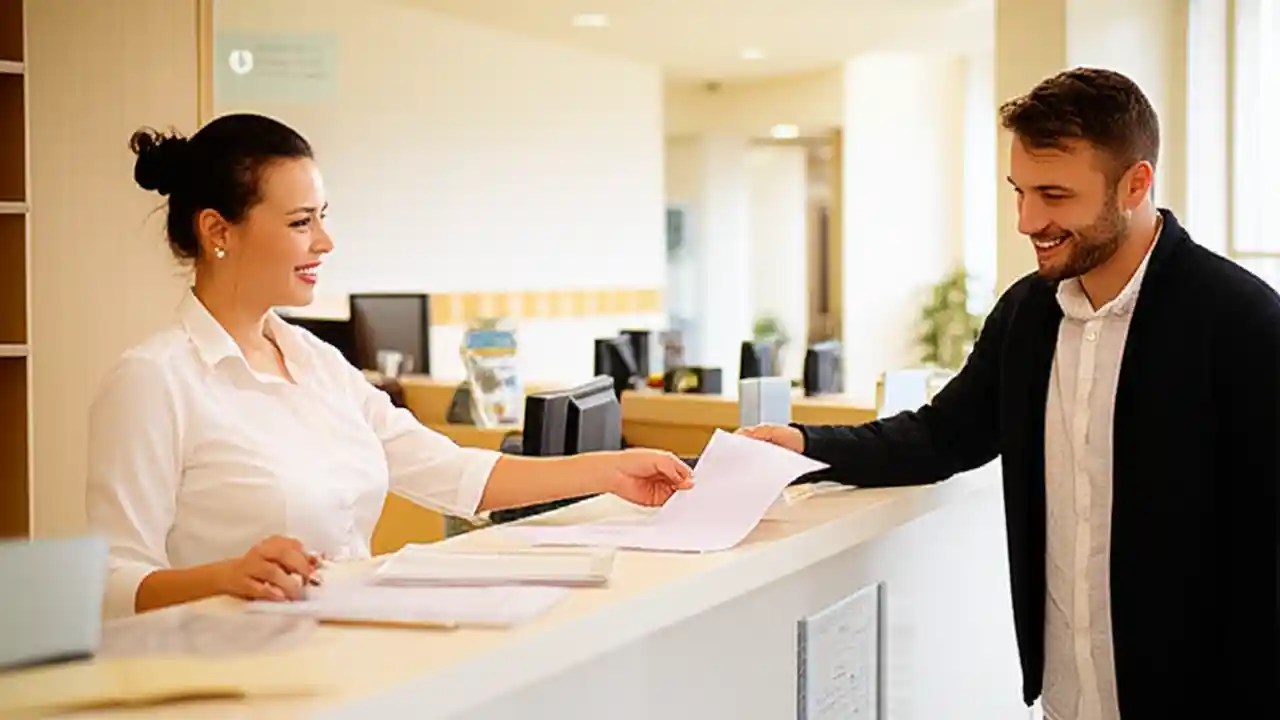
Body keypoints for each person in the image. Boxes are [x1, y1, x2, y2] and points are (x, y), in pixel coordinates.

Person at [741, 67, 1277, 718]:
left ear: (1136, 184)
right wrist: (800, 445)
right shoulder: (1028, 314)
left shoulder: (1243, 322)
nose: (1029, 221)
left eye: (1054, 195)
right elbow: (944, 435)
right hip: (1066, 696)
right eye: (1019, 192)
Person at [87, 113, 693, 619]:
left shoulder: (317, 363)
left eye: (324, 216)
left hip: (344, 659)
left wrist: (611, 469)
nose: (325, 242)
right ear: (218, 231)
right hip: (230, 678)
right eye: (302, 222)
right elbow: (111, 582)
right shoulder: (154, 379)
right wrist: (225, 577)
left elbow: (452, 474)